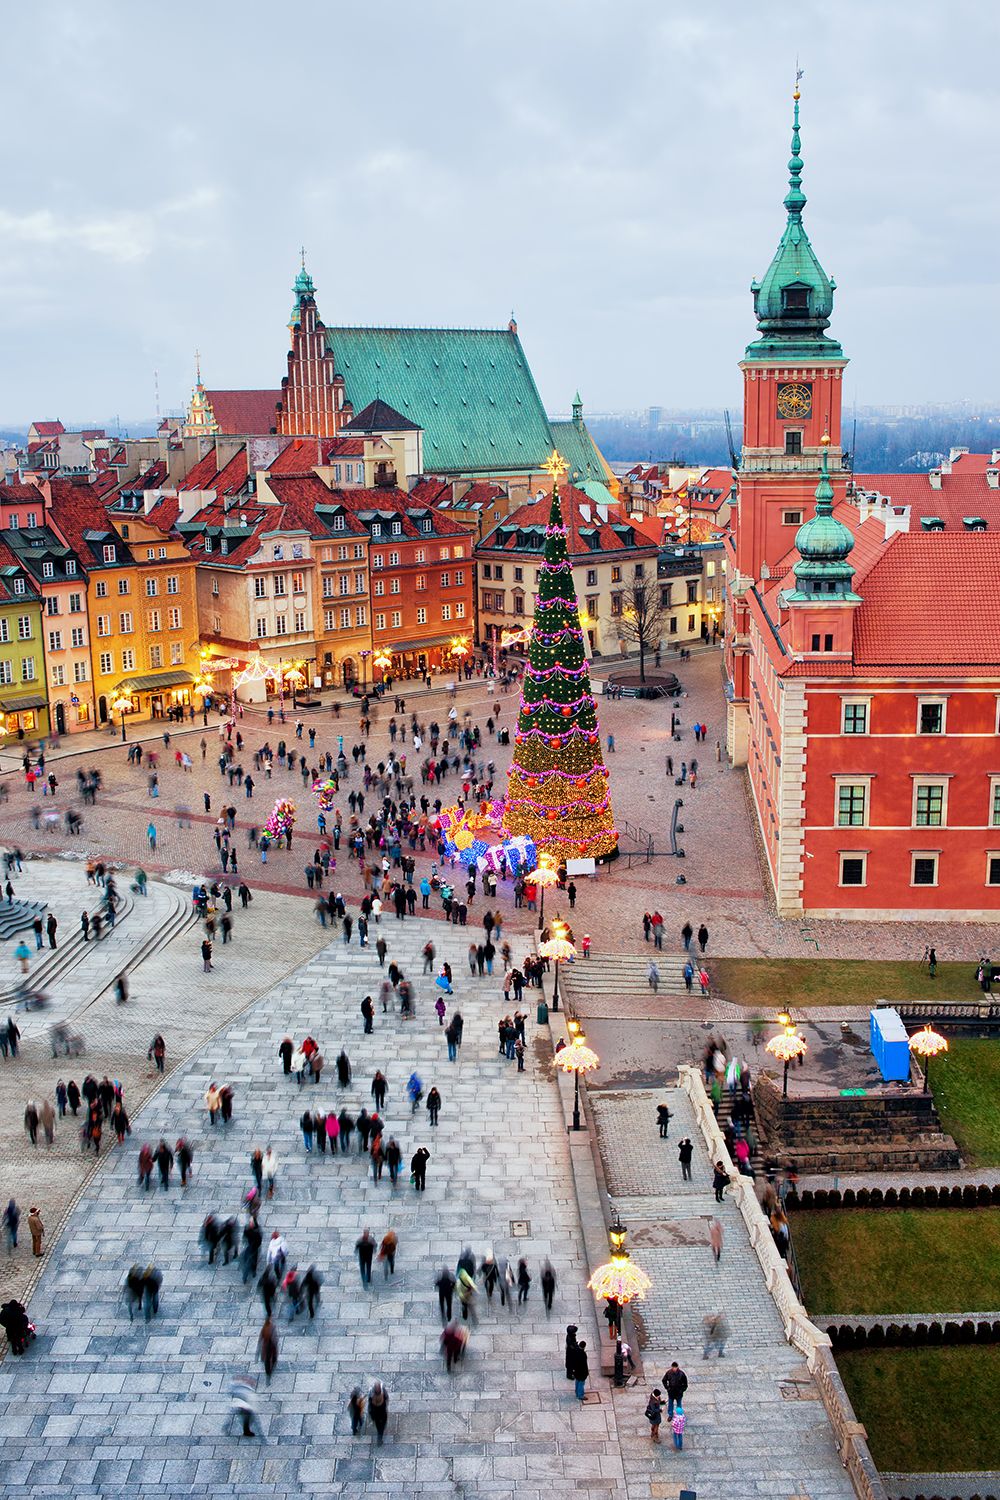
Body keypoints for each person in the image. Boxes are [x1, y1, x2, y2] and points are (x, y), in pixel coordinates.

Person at [257, 1315, 279, 1384]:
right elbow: (274, 1338)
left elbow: (260, 1339)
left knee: (268, 1361)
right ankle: (269, 1373)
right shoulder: (271, 1327)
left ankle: (268, 1374)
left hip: (267, 1347)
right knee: (271, 1359)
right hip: (270, 1347)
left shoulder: (266, 1328)